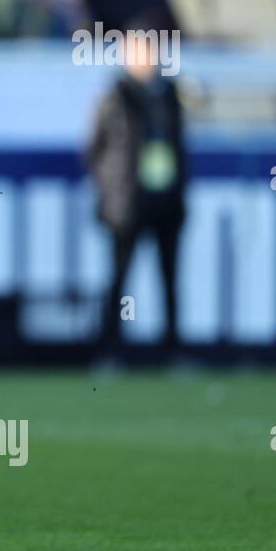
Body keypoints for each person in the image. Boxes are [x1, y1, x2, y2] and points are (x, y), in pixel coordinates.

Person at [85, 21, 188, 357]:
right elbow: (95, 150)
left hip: (165, 201)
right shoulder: (115, 95)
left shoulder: (169, 93)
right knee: (120, 278)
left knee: (168, 278)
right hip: (128, 203)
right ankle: (110, 349)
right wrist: (112, 190)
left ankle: (172, 350)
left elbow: (179, 146)